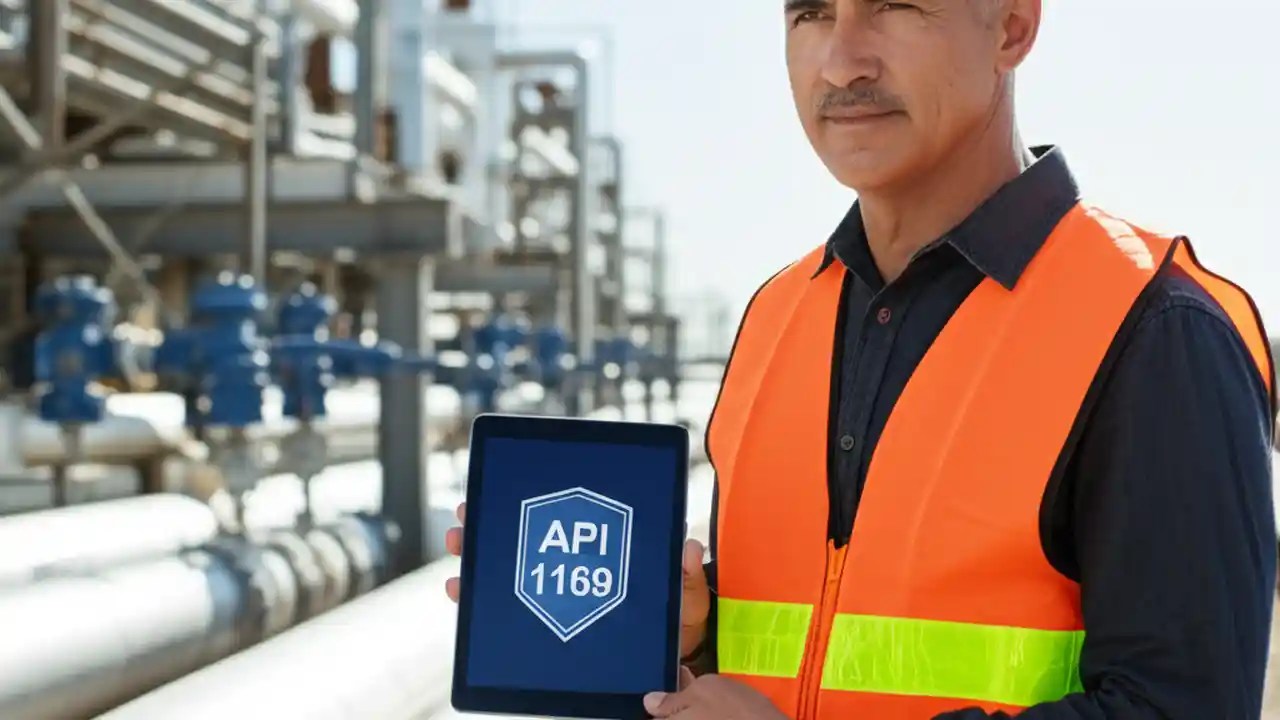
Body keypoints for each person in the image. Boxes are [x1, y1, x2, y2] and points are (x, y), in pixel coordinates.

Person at [447, 0, 1278, 717]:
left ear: (1013, 26)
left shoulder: (1155, 329)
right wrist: (683, 646)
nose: (842, 60)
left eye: (896, 7)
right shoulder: (777, 316)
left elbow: (1180, 707)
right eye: (809, 13)